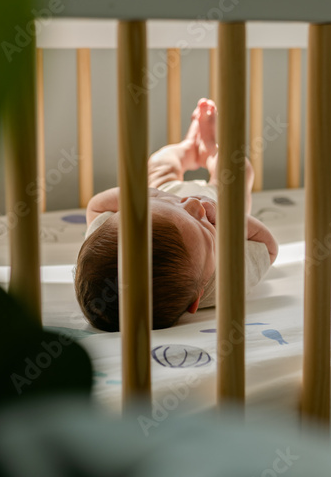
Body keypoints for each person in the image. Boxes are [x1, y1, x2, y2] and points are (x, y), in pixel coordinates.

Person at [75, 98, 278, 331]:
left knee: (159, 162)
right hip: (219, 198)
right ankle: (211, 149)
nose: (195, 205)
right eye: (205, 231)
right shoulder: (228, 279)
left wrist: (151, 196)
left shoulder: (103, 241)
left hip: (166, 189)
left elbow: (97, 206)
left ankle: (190, 146)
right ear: (196, 300)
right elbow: (267, 246)